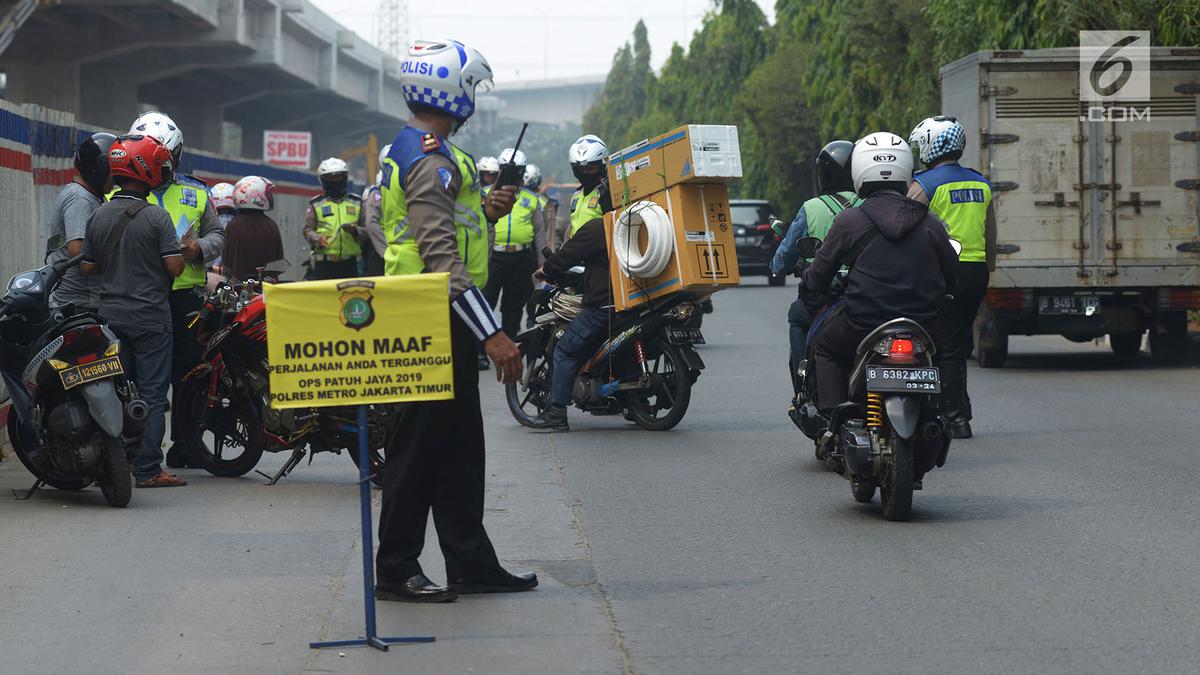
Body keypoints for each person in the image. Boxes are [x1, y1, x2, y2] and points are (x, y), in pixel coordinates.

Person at [376, 37, 535, 603]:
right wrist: (492, 333)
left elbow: (428, 227)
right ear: (454, 92)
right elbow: (441, 262)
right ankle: (395, 567)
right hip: (428, 316)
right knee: (417, 448)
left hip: (436, 312)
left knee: (461, 446)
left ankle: (469, 560)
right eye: (471, 88)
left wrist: (486, 212)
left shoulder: (422, 150)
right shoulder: (430, 159)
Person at [802, 132, 959, 415]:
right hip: (922, 326)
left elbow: (819, 274)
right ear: (906, 172)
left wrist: (810, 284)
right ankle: (947, 414)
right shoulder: (930, 223)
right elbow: (953, 278)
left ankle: (833, 416)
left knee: (824, 347)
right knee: (946, 351)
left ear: (859, 172)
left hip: (863, 323)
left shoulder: (849, 221)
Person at [80, 134, 186, 488]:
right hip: (152, 319)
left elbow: (87, 267)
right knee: (152, 394)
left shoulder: (98, 215)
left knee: (115, 391)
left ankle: (114, 464)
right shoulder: (157, 216)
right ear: (149, 171)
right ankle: (148, 470)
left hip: (110, 318)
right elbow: (174, 268)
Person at [127, 111, 225, 471]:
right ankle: (134, 449)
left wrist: (199, 248)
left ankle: (186, 445)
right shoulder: (120, 193)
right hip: (141, 297)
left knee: (189, 375)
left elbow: (218, 235)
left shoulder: (197, 192)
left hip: (185, 299)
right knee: (137, 377)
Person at [908, 115, 996, 439]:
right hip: (975, 273)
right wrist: (989, 269)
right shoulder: (980, 182)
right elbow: (990, 235)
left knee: (942, 345)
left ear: (933, 144)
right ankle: (960, 409)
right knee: (956, 342)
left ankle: (953, 417)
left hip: (942, 271)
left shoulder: (925, 185)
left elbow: (899, 223)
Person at [770, 140, 860, 396]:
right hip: (864, 292)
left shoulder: (811, 208)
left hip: (823, 294)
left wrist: (778, 265)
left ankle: (803, 385)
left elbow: (786, 253)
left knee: (797, 318)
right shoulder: (869, 205)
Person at [530, 214, 611, 431]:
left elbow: (568, 254)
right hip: (640, 304)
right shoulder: (645, 221)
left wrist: (546, 270)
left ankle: (556, 413)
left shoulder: (601, 226)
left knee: (565, 351)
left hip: (605, 305)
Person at [482, 147, 547, 340]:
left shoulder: (531, 198)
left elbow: (539, 231)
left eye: (518, 170)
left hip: (521, 258)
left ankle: (510, 341)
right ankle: (481, 351)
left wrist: (542, 261)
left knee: (513, 305)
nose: (513, 174)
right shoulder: (484, 194)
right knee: (486, 301)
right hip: (492, 256)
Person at [48, 132, 116, 313]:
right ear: (98, 169)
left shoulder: (91, 196)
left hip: (84, 300)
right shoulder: (81, 199)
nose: (115, 181)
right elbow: (78, 250)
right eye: (112, 173)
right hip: (77, 303)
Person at [304, 157, 365, 280]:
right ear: (322, 180)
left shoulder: (357, 202)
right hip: (324, 265)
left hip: (350, 265)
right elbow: (307, 230)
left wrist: (355, 230)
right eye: (330, 179)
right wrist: (318, 239)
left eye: (338, 178)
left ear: (345, 178)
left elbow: (368, 230)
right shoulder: (316, 204)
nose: (335, 181)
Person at [222, 176, 285, 282]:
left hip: (239, 288)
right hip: (266, 287)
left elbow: (227, 264)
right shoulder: (271, 225)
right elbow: (278, 264)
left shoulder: (233, 225)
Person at [566, 135, 607, 239]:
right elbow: (571, 228)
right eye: (581, 170)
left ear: (602, 167)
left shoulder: (606, 194)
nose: (585, 173)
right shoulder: (576, 196)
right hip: (576, 253)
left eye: (591, 169)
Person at [360, 144, 392, 277]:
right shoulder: (377, 193)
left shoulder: (410, 191)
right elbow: (371, 224)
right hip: (382, 254)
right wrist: (386, 252)